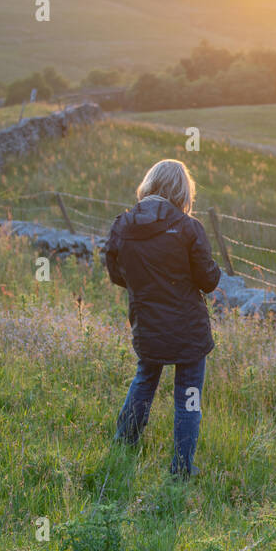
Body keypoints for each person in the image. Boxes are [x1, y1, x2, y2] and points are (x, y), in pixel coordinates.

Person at [104, 159, 221, 477]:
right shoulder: (188, 229)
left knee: (144, 381)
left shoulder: (123, 224)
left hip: (147, 325)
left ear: (150, 183)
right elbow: (208, 281)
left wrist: (146, 286)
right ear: (182, 191)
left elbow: (117, 274)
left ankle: (124, 446)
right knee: (189, 396)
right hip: (189, 332)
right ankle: (182, 469)